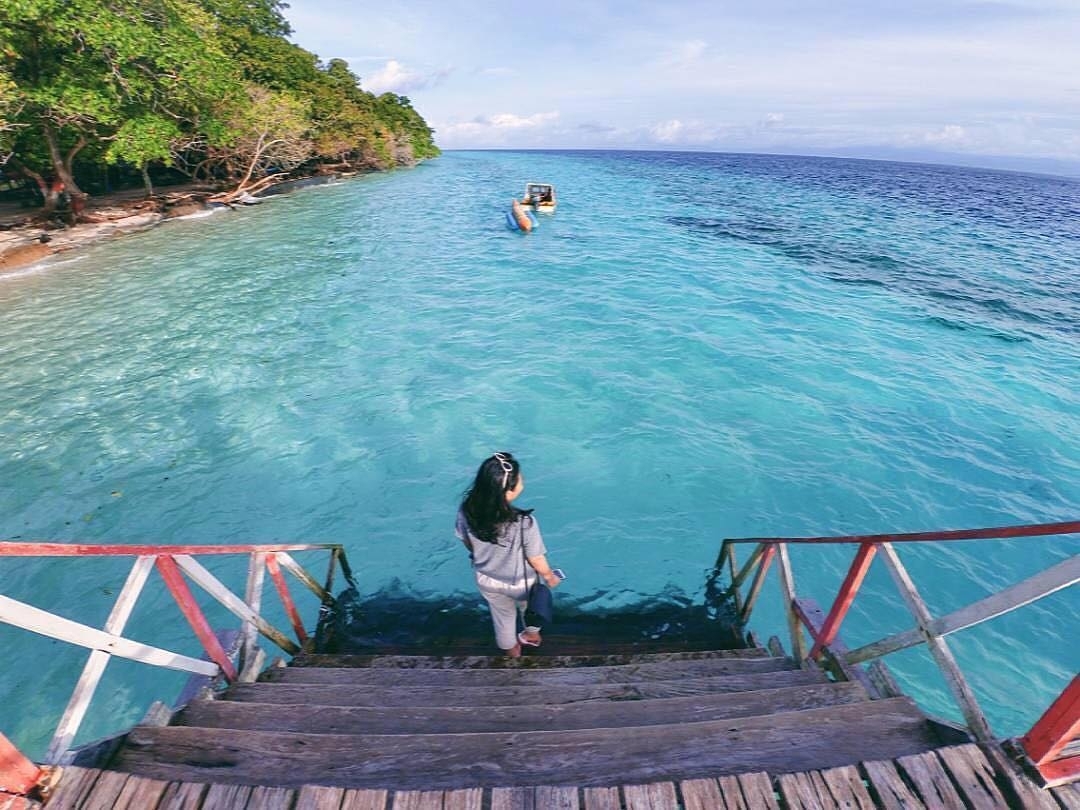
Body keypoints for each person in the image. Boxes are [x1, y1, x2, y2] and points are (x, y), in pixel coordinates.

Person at [456, 452, 561, 657]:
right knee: (530, 609)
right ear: (508, 492)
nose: (523, 479)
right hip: (520, 582)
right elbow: (536, 558)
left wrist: (479, 555)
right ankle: (531, 636)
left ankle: (510, 650)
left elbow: (466, 541)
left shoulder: (467, 510)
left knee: (502, 616)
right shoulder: (524, 523)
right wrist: (549, 576)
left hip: (486, 578)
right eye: (520, 478)